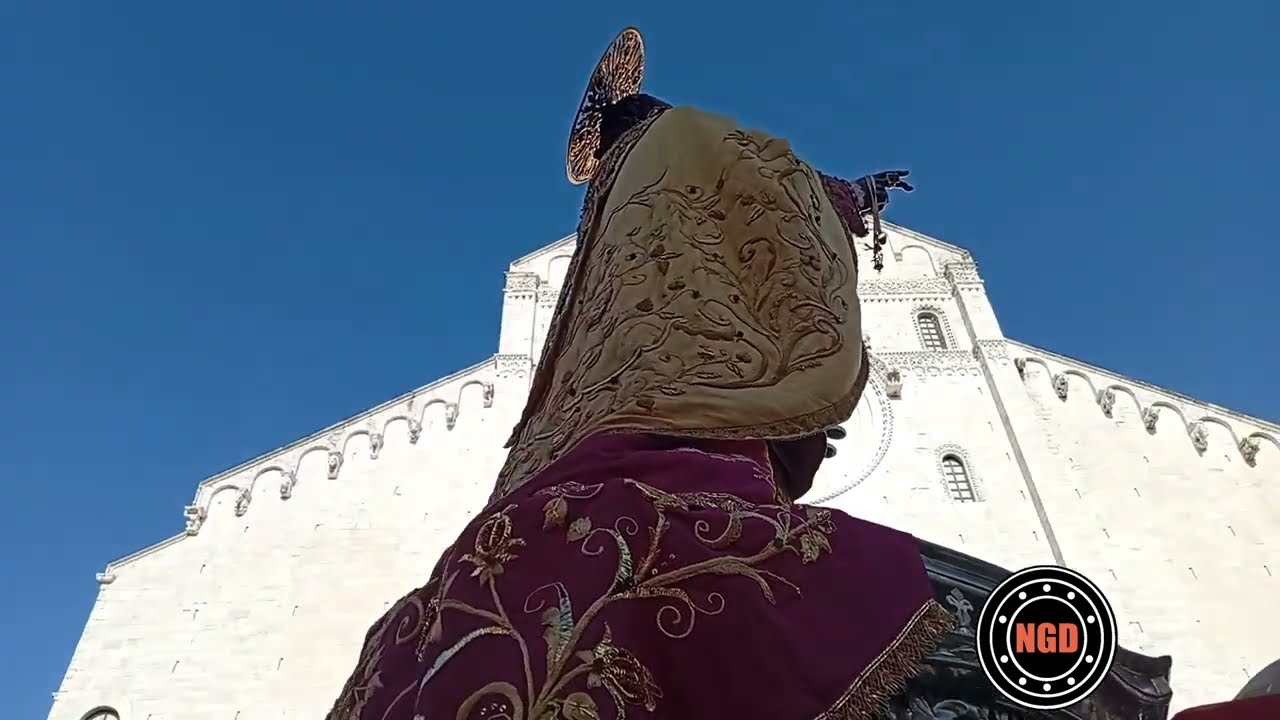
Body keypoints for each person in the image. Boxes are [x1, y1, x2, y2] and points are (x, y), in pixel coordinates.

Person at [326, 28, 951, 720]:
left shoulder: (606, 209)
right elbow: (767, 180)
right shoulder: (680, 141)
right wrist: (849, 196)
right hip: (696, 396)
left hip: (586, 429)